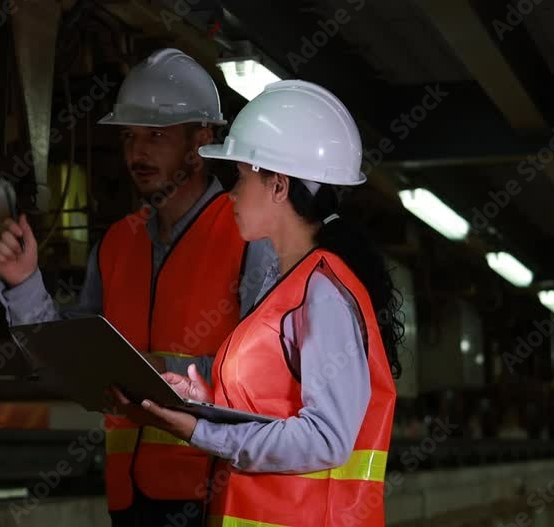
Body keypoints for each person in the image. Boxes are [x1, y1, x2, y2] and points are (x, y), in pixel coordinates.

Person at [0, 48, 276, 526]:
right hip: (130, 498)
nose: (136, 154)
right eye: (128, 138)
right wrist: (23, 284)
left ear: (201, 139)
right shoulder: (117, 245)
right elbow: (71, 359)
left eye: (156, 137)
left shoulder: (247, 236)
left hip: (213, 495)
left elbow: (263, 377)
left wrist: (160, 370)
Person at [112, 79, 404, 526]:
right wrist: (205, 400)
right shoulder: (285, 282)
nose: (231, 193)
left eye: (243, 178)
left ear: (280, 187)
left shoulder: (321, 292)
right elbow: (275, 407)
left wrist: (200, 431)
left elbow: (327, 440)